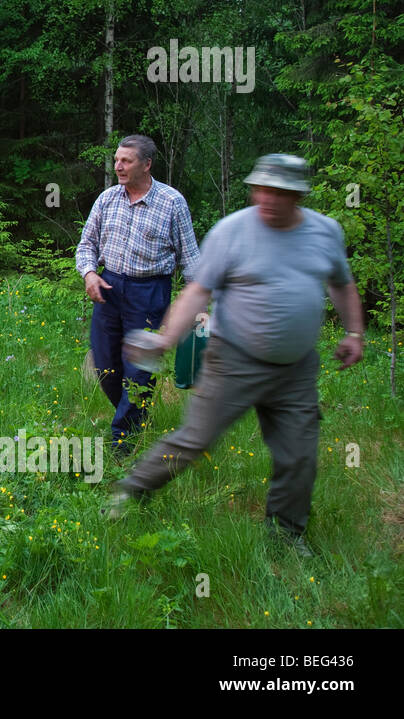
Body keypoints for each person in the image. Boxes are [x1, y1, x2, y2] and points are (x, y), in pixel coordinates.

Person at [107, 154, 365, 556]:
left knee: (299, 455)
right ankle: (131, 491)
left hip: (295, 369)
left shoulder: (324, 232)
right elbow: (197, 290)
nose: (264, 197)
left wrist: (354, 332)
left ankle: (287, 535)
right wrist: (165, 339)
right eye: (258, 188)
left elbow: (342, 284)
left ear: (297, 195)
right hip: (233, 360)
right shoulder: (232, 231)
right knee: (194, 440)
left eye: (276, 191)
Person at [76, 135, 200, 454]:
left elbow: (191, 260)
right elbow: (87, 244)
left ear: (146, 164)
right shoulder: (107, 199)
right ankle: (134, 416)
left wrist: (196, 303)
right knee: (106, 366)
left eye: (126, 160)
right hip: (109, 288)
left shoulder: (172, 203)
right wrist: (90, 273)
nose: (118, 165)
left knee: (139, 370)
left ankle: (123, 445)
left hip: (149, 292)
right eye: (117, 159)